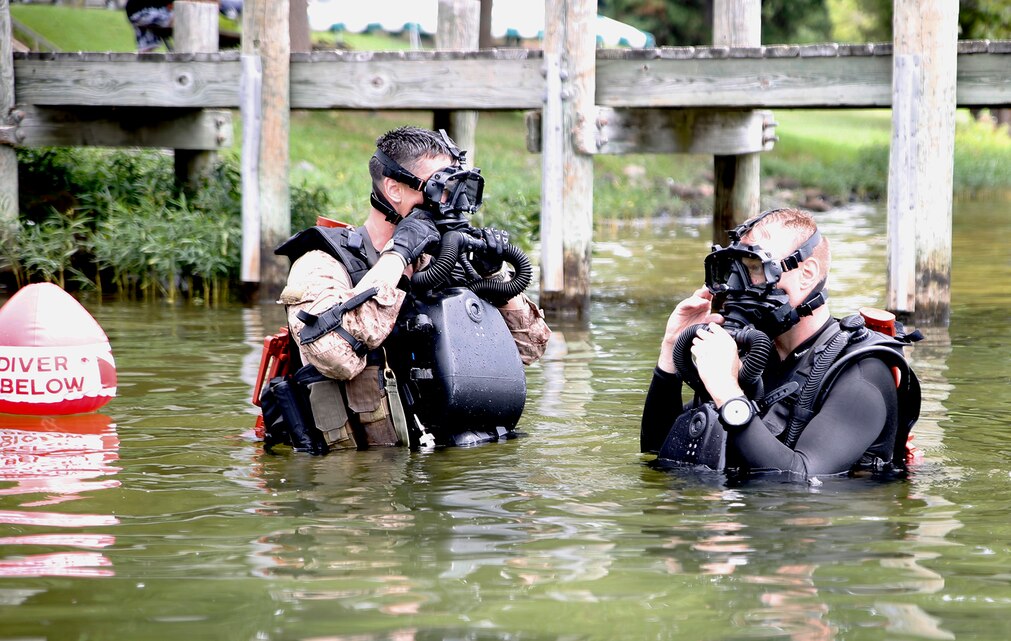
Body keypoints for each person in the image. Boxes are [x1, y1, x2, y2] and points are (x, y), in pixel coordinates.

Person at [259, 126, 551, 453]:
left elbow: (530, 350)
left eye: (456, 187)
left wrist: (497, 279)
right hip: (353, 477)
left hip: (429, 464)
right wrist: (398, 255)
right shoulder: (322, 264)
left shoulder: (441, 261)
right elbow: (334, 358)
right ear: (394, 190)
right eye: (439, 187)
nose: (447, 202)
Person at [640, 207, 921, 479]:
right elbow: (659, 454)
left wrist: (727, 392)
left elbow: (802, 478)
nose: (738, 286)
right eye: (732, 270)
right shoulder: (754, 357)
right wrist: (670, 353)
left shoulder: (861, 372)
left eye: (755, 269)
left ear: (807, 273)